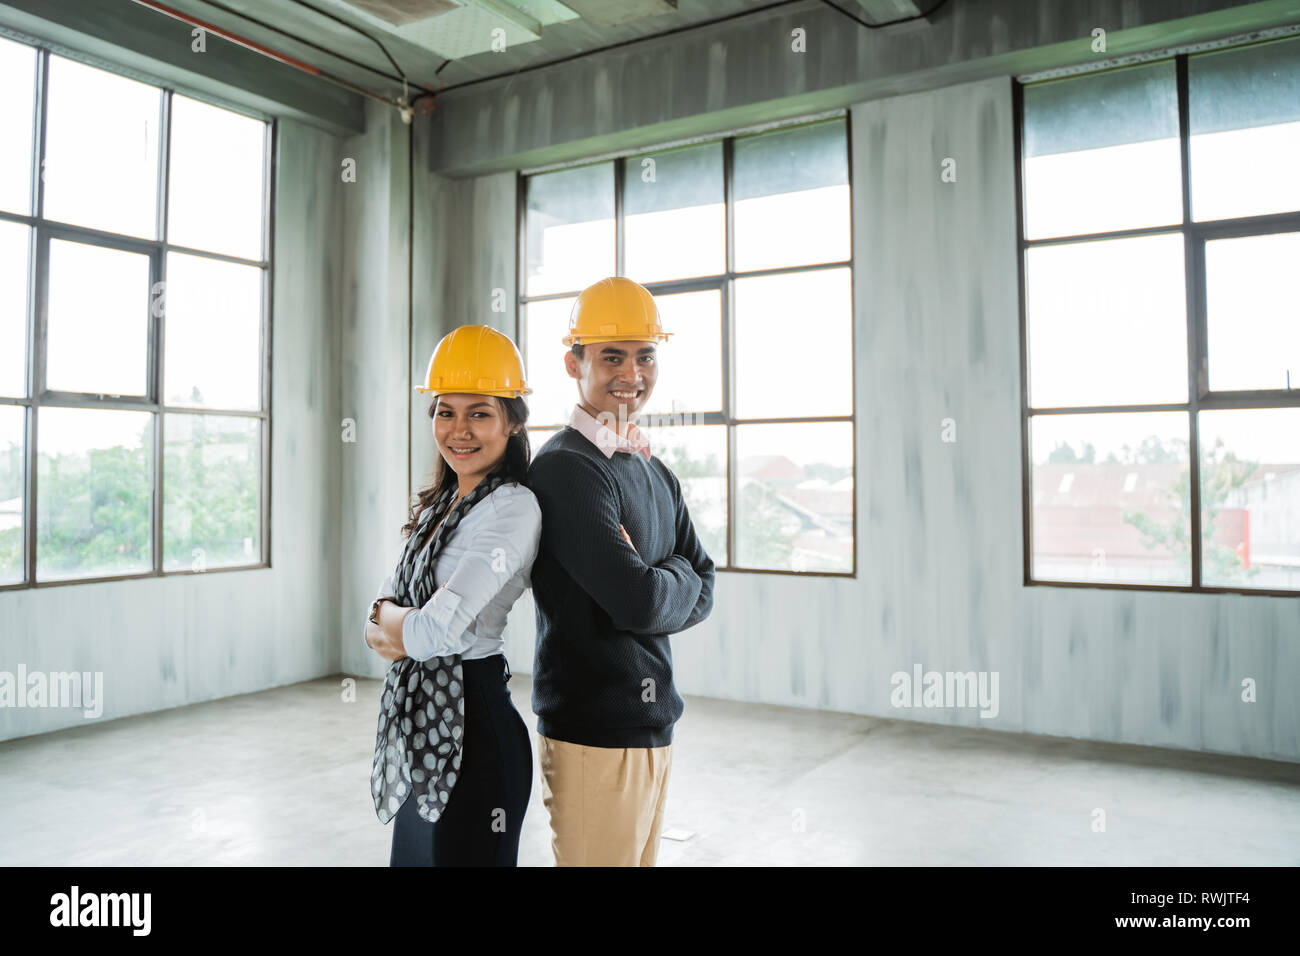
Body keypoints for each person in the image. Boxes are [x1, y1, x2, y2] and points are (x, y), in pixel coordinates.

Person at [526, 276, 716, 866]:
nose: (632, 373)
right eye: (612, 356)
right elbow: (638, 602)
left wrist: (663, 577)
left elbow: (706, 583)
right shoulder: (567, 468)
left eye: (645, 355)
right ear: (573, 362)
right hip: (594, 733)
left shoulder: (654, 470)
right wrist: (670, 576)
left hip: (653, 726)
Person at [364, 323, 541, 867]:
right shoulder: (442, 506)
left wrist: (391, 618)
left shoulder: (512, 509)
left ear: (513, 421)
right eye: (446, 412)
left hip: (476, 728)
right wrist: (394, 619)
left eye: (479, 413)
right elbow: (376, 624)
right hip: (424, 729)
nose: (458, 430)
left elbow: (428, 634)